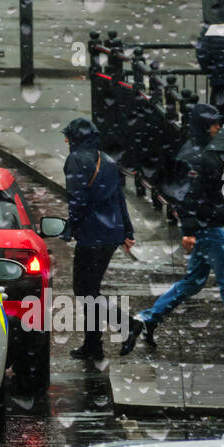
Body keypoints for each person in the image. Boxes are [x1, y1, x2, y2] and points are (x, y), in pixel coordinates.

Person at [120, 103, 224, 355]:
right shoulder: (194, 156)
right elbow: (187, 196)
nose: (218, 126)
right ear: (204, 126)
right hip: (208, 228)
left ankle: (147, 318)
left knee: (194, 281)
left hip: (206, 225)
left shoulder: (200, 150)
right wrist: (189, 231)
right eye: (214, 123)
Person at [61, 118, 135, 361]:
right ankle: (93, 345)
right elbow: (119, 198)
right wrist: (127, 231)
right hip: (111, 234)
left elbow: (78, 199)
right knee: (90, 289)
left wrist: (70, 228)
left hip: (93, 235)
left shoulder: (75, 160)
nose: (65, 141)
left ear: (74, 138)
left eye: (68, 136)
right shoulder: (107, 159)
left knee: (84, 290)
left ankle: (128, 325)